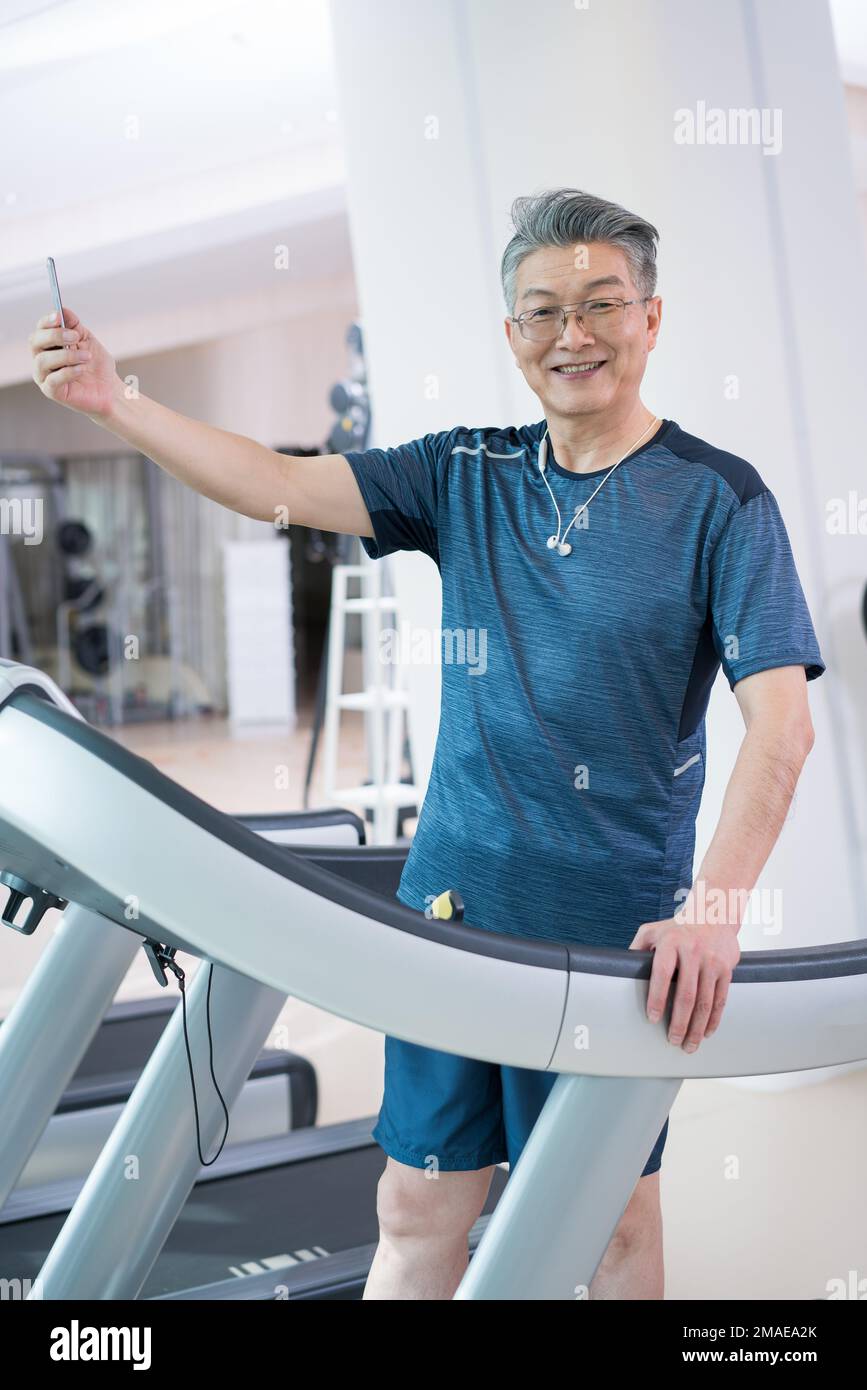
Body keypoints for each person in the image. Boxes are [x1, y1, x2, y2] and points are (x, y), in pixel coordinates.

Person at [29, 187, 824, 1301]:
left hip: (609, 942)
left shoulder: (720, 502)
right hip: (446, 919)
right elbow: (277, 482)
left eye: (601, 304)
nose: (572, 334)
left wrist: (718, 910)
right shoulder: (465, 473)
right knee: (414, 1206)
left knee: (610, 1227)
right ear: (512, 336)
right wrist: (118, 402)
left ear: (652, 319)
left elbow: (781, 731)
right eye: (542, 312)